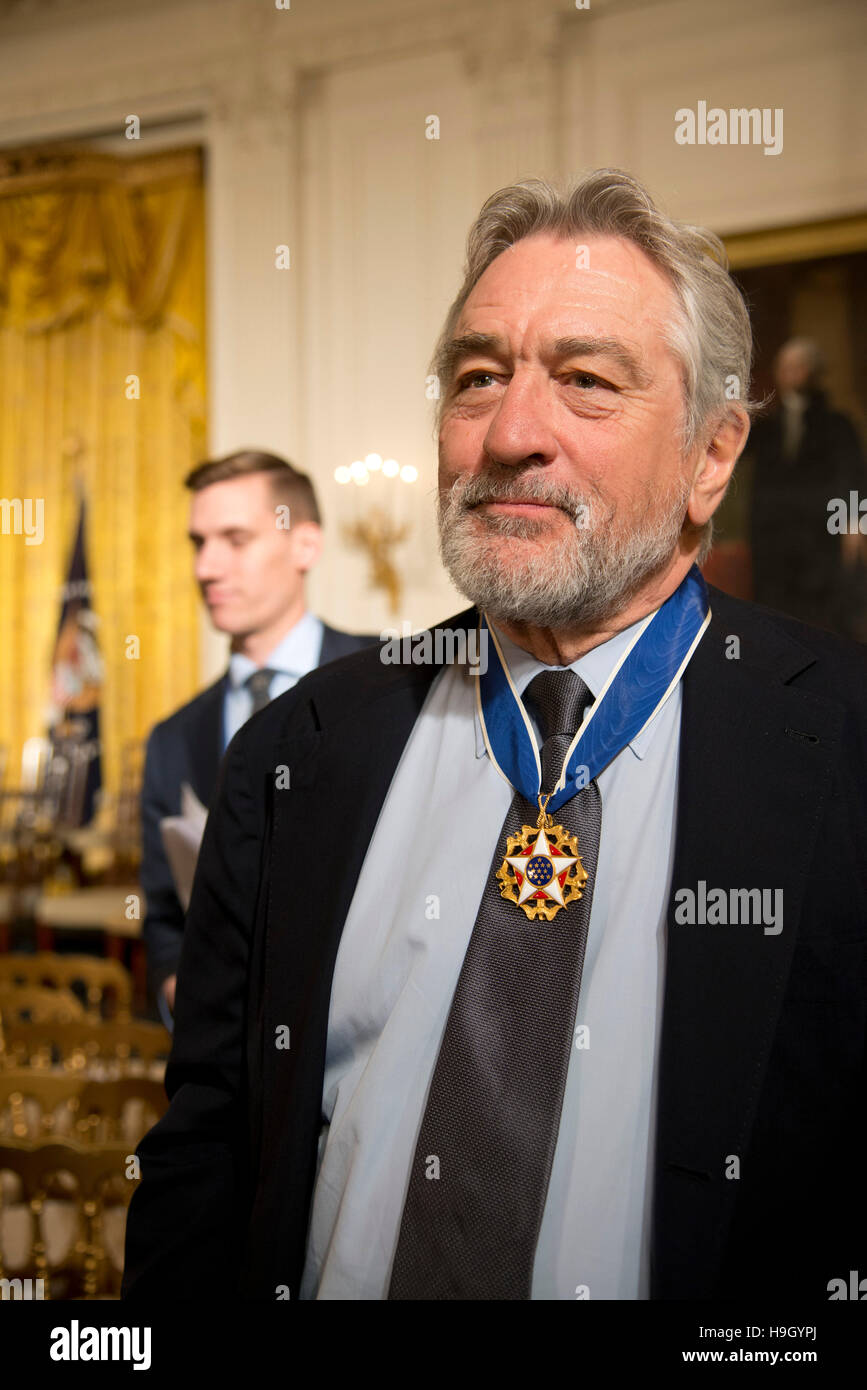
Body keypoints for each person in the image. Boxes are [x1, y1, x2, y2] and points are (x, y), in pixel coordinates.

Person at [123, 172, 866, 1302]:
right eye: (478, 378)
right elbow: (208, 1155)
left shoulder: (844, 751)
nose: (513, 433)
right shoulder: (296, 754)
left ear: (712, 456)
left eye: (586, 381)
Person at [141, 450, 377, 1024]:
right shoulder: (175, 737)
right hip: (228, 1066)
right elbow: (165, 914)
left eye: (235, 539)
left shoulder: (390, 679)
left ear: (305, 546)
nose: (206, 567)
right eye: (199, 542)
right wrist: (181, 993)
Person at [748, 337, 867, 639]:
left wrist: (854, 524)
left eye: (798, 367)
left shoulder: (838, 425)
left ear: (814, 372)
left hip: (819, 538)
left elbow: (852, 477)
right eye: (785, 367)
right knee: (774, 621)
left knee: (821, 625)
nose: (791, 374)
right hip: (773, 539)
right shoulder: (766, 427)